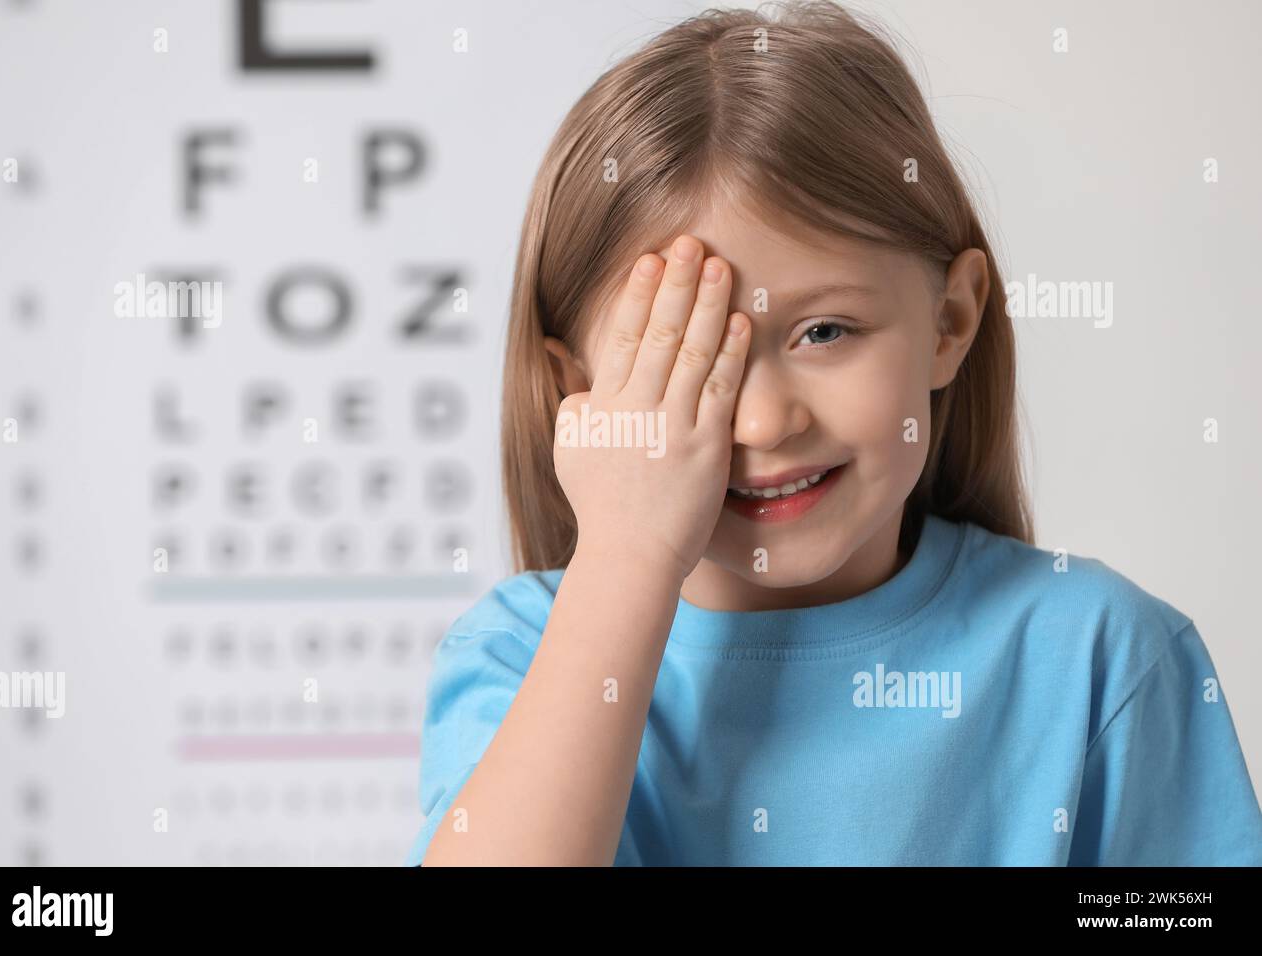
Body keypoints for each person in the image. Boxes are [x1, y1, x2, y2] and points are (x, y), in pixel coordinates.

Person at [406, 0, 1262, 865]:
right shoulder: (519, 657)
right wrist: (627, 552)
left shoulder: (1099, 656)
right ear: (581, 398)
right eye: (693, 362)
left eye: (825, 332)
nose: (765, 419)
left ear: (949, 321)